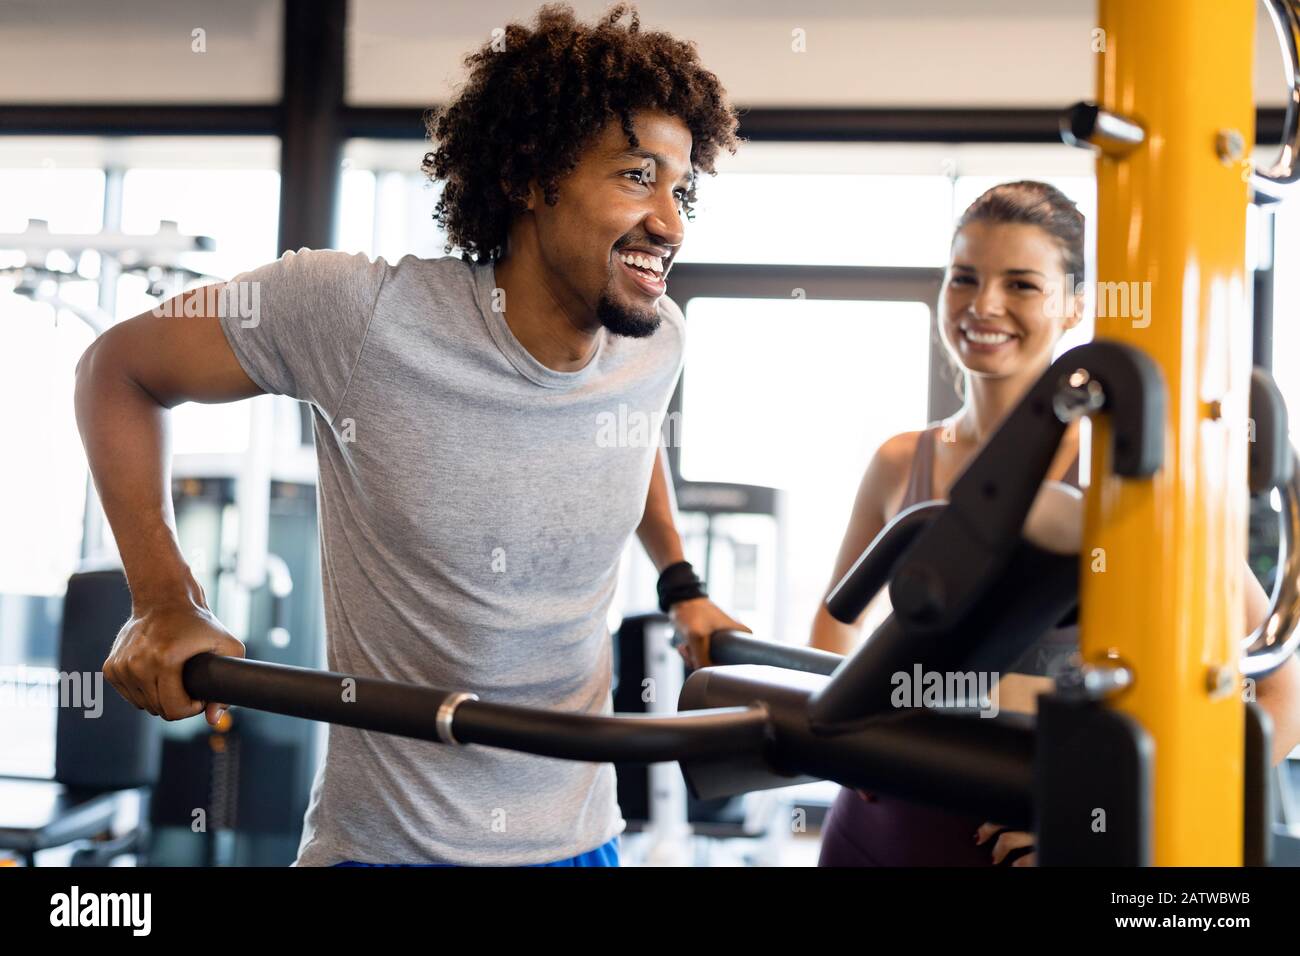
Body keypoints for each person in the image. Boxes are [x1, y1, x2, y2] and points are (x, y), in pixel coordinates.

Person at [74, 3, 749, 867]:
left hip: (582, 842)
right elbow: (116, 370)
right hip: (387, 847)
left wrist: (681, 583)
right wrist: (164, 600)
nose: (672, 221)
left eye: (680, 188)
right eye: (636, 176)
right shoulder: (357, 313)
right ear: (531, 176)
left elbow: (625, 436)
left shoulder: (656, 343)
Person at [810, 181, 1300, 866]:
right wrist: (848, 749)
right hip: (881, 828)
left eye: (1022, 285)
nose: (985, 305)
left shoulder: (1129, 483)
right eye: (965, 279)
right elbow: (834, 623)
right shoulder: (901, 461)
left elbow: (1277, 690)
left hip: (1044, 832)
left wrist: (1132, 806)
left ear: (1074, 308)